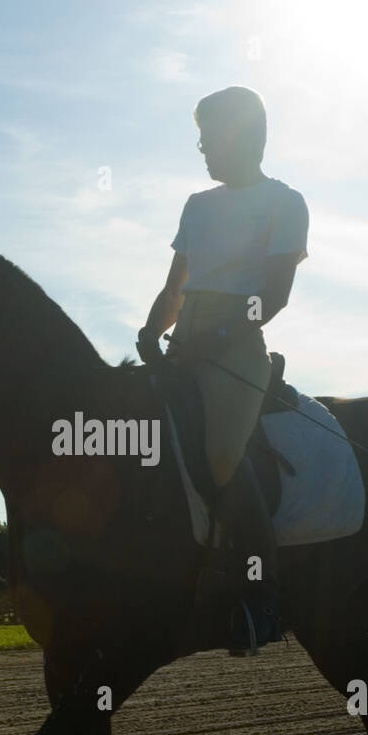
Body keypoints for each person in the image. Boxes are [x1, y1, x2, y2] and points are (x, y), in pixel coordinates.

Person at [137, 86, 308, 653]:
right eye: (201, 136)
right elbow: (175, 287)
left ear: (244, 136)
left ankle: (264, 600)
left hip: (236, 350)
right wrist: (151, 330)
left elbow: (273, 297)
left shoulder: (286, 202)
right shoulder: (197, 205)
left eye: (210, 136)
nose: (202, 147)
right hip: (185, 344)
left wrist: (210, 341)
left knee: (219, 456)